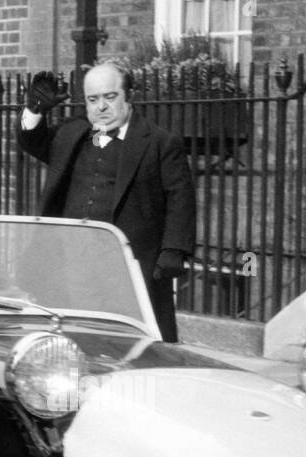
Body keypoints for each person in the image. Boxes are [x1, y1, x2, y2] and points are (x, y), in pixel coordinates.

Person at [16, 61, 196, 341]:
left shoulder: (160, 142)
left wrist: (173, 249)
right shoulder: (71, 134)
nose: (101, 107)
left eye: (110, 97)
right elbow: (33, 141)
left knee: (128, 343)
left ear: (129, 97)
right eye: (93, 99)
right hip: (71, 261)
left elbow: (179, 197)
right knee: (70, 340)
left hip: (128, 265)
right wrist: (35, 109)